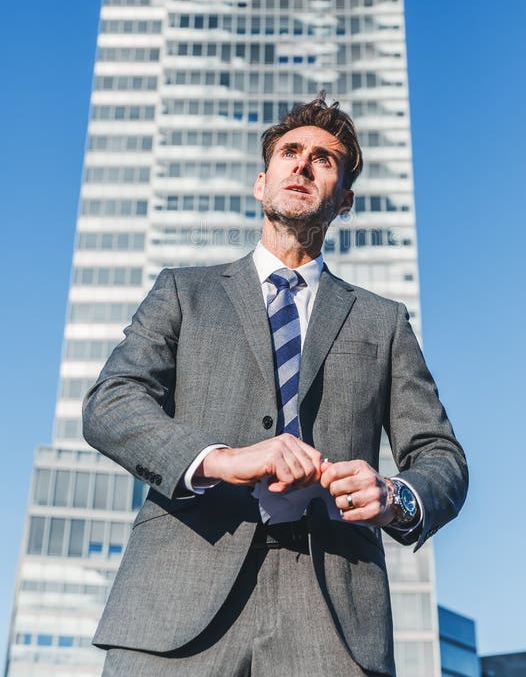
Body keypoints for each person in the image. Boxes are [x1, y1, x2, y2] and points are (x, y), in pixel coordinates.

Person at [83, 95, 468, 677]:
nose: (304, 164)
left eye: (324, 159)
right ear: (262, 183)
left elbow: (441, 457)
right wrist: (219, 459)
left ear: (345, 200)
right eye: (290, 152)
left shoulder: (383, 322)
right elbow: (110, 404)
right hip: (177, 597)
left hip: (332, 613)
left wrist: (394, 496)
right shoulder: (185, 292)